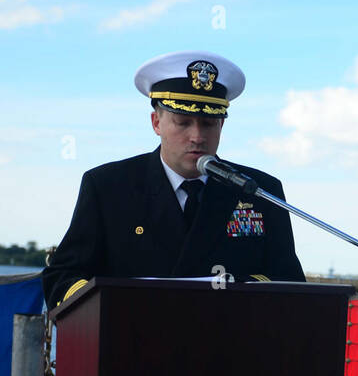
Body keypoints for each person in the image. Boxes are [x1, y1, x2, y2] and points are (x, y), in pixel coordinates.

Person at [42, 51, 304, 309]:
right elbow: (63, 277)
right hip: (132, 341)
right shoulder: (108, 187)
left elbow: (290, 282)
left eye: (209, 123)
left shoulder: (258, 190)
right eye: (183, 122)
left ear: (222, 126)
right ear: (157, 123)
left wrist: (236, 290)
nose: (197, 136)